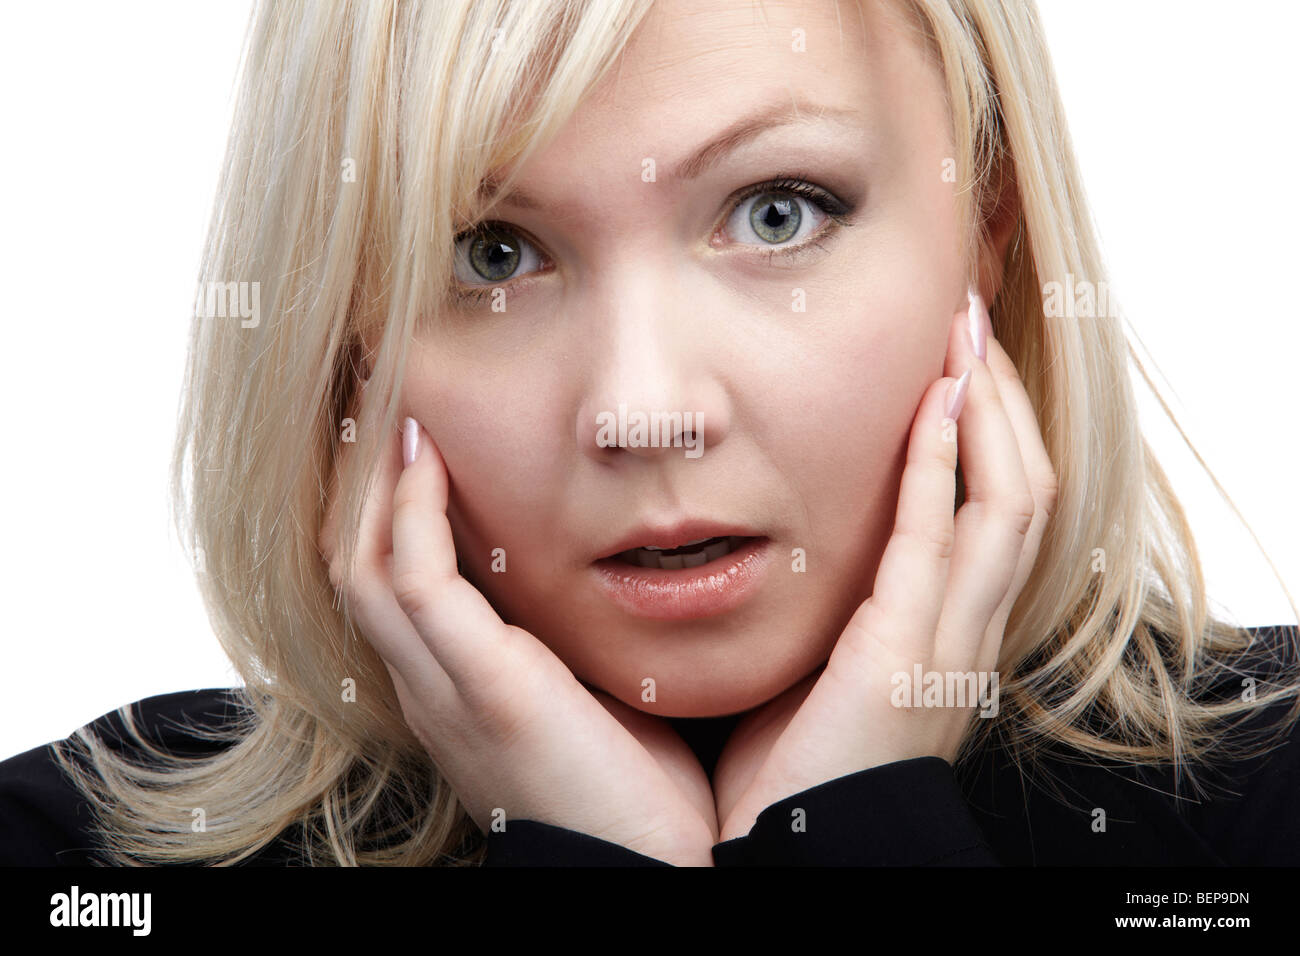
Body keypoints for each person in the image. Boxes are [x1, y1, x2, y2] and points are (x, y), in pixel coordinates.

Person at [2, 0, 1297, 867]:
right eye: (493, 252)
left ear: (992, 227)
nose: (643, 408)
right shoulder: (73, 853)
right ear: (343, 329)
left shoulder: (1262, 809)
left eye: (778, 213)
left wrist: (852, 832)